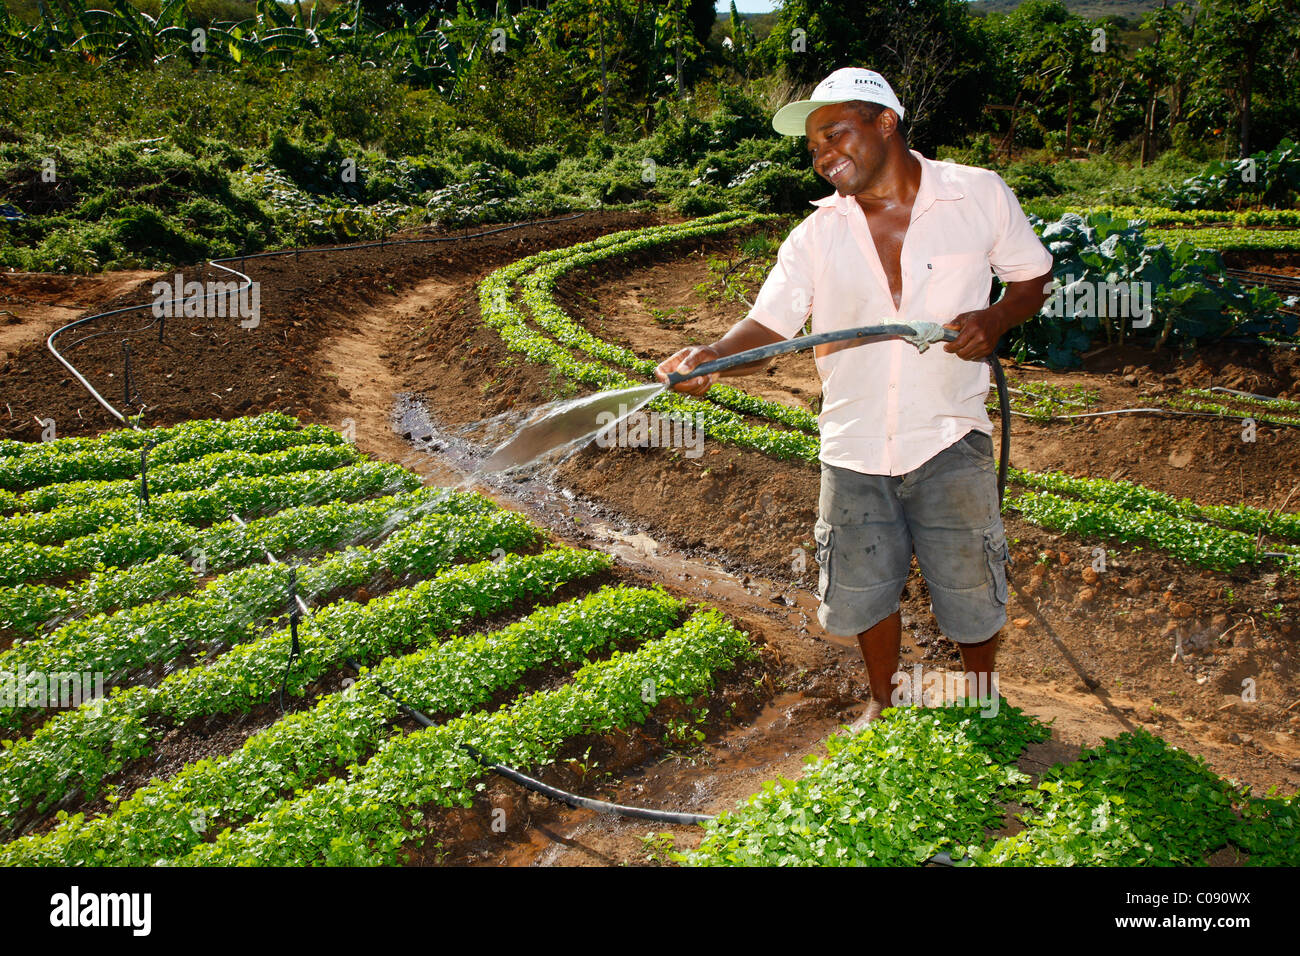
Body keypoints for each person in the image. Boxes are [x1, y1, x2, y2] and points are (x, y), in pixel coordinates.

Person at [655, 67, 1054, 726]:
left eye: (833, 135)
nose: (822, 157)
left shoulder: (976, 194)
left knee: (970, 582)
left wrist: (997, 319)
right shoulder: (817, 235)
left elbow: (1032, 276)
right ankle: (884, 698)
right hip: (854, 443)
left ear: (885, 122)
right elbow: (770, 326)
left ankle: (983, 698)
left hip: (949, 434)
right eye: (813, 149)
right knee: (866, 587)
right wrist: (711, 358)